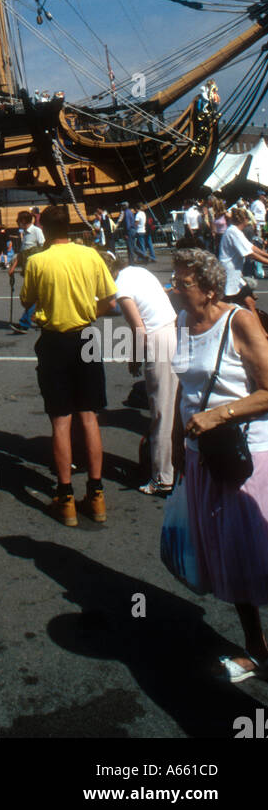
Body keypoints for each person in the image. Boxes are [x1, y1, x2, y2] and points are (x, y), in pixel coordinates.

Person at [170, 247, 268, 680]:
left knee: (258, 552)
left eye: (184, 282)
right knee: (230, 554)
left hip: (245, 454)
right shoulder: (182, 322)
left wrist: (217, 416)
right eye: (174, 279)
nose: (175, 287)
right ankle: (256, 647)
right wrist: (175, 443)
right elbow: (185, 386)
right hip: (202, 457)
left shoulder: (239, 321)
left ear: (210, 289)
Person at [20, 205, 117, 526]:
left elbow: (26, 300)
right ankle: (97, 493)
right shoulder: (90, 255)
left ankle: (65, 497)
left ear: (43, 229)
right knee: (89, 417)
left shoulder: (36, 261)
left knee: (60, 420)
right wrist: (88, 313)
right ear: (69, 226)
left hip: (54, 340)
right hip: (86, 335)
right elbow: (110, 301)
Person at [114, 262, 177, 495]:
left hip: (158, 340)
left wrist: (134, 358)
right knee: (175, 408)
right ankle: (176, 469)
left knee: (162, 412)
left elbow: (138, 328)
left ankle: (163, 477)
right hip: (174, 331)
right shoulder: (139, 271)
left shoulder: (120, 286)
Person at [218, 207, 268, 314]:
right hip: (229, 274)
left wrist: (267, 255)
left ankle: (254, 326)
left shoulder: (236, 231)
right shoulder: (233, 232)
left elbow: (252, 247)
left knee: (250, 302)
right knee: (225, 305)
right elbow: (249, 254)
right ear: (244, 219)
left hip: (235, 275)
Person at [9, 210, 46, 334]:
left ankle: (25, 323)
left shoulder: (37, 231)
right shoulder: (25, 233)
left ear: (24, 221)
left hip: (36, 268)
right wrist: (13, 267)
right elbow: (21, 252)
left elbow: (44, 248)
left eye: (19, 221)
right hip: (27, 267)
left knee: (32, 296)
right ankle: (39, 319)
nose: (17, 223)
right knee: (37, 296)